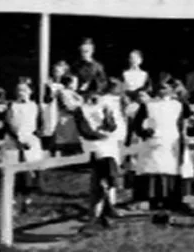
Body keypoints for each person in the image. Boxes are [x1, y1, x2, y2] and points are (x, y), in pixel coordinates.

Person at [126, 80, 185, 219]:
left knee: (169, 169)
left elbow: (181, 124)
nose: (162, 90)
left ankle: (169, 199)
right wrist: (145, 133)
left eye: (165, 88)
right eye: (160, 87)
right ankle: (149, 199)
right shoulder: (148, 105)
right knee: (151, 169)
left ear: (171, 89)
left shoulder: (178, 105)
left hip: (171, 141)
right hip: (153, 142)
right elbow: (137, 124)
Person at [79, 78, 126, 227]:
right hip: (92, 144)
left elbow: (112, 124)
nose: (95, 97)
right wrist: (99, 134)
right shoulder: (81, 109)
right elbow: (85, 129)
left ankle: (105, 208)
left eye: (98, 94)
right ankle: (104, 209)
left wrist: (107, 124)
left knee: (104, 176)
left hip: (108, 142)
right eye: (92, 94)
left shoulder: (105, 105)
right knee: (104, 170)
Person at [2, 78, 44, 210]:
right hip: (14, 142)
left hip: (30, 141)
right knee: (13, 171)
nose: (22, 93)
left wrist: (32, 137)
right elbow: (7, 124)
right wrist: (16, 138)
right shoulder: (11, 106)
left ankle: (27, 200)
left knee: (29, 171)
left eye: (25, 90)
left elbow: (40, 124)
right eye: (19, 90)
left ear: (30, 91)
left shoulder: (35, 106)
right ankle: (12, 200)